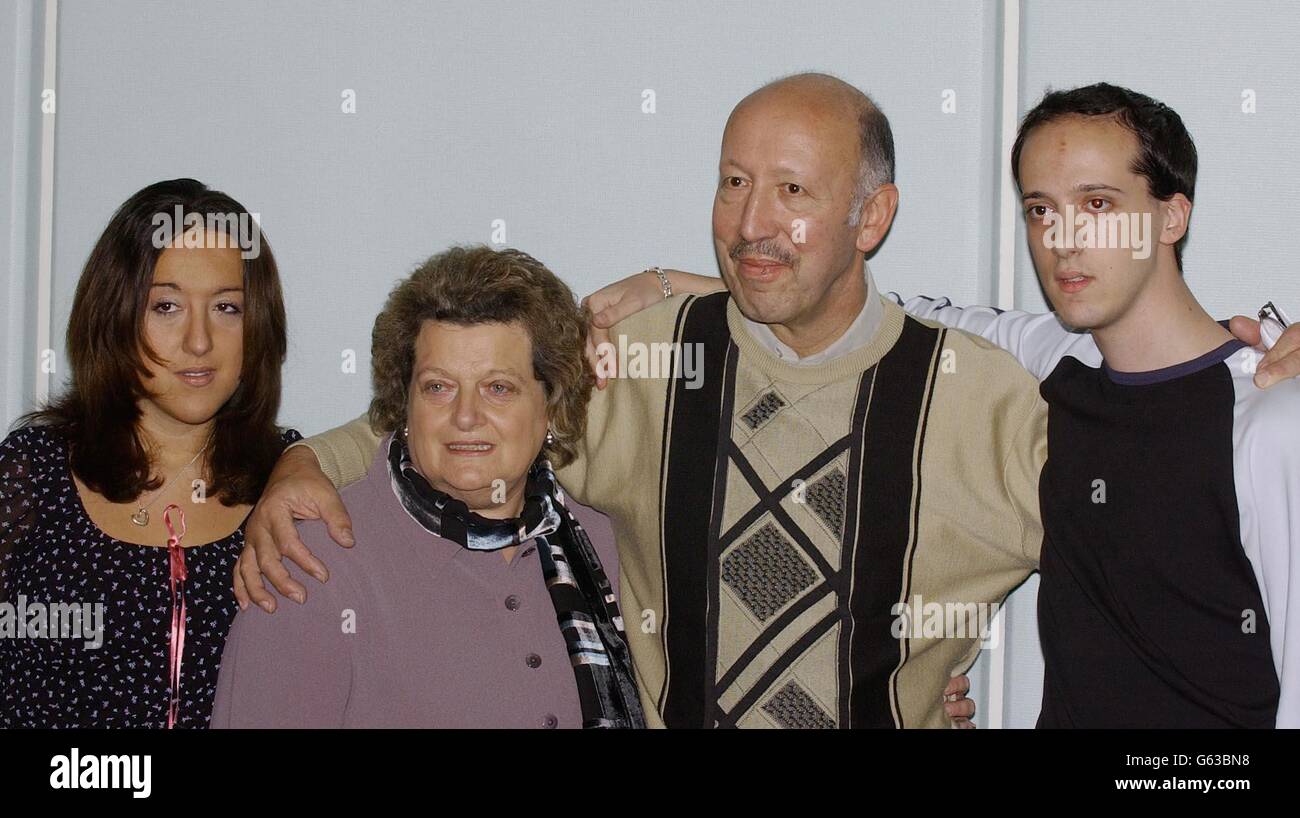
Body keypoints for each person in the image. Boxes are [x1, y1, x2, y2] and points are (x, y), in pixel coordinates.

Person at [237, 73, 1047, 729]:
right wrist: (302, 464)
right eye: (734, 182)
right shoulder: (648, 360)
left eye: (793, 191)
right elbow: (463, 418)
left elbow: (1134, 580)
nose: (750, 221)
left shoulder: (984, 405)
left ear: (872, 216)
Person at [594, 84, 1300, 727]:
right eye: (1040, 210)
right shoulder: (1045, 364)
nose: (1063, 239)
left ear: (1172, 216)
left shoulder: (1269, 417)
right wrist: (682, 282)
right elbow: (864, 313)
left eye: (1098, 205)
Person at [210, 246, 643, 728]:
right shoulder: (310, 565)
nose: (465, 415)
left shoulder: (609, 543)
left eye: (499, 387)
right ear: (404, 402)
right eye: (438, 387)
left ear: (551, 407)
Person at [0, 178, 301, 728]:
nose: (199, 341)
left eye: (227, 308)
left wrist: (309, 461)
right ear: (114, 313)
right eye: (166, 306)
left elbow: (398, 443)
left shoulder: (288, 477)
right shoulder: (31, 473)